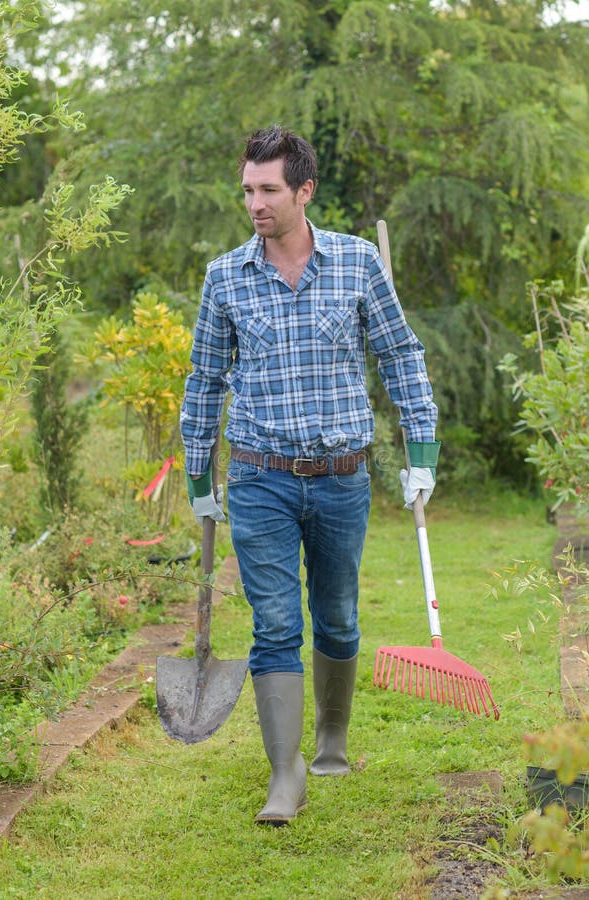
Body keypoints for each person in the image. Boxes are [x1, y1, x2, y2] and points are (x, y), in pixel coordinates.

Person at [180, 125, 439, 827]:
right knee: (273, 623)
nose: (254, 204)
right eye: (247, 190)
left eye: (268, 190)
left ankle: (330, 738)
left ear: (304, 190)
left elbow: (401, 356)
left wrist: (421, 452)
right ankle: (284, 772)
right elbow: (204, 380)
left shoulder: (357, 263)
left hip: (340, 477)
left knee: (338, 617)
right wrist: (199, 476)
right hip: (259, 475)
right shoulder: (225, 277)